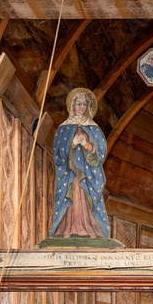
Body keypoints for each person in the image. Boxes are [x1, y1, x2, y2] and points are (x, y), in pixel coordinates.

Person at [50, 87, 110, 238]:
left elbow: (99, 153)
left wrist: (85, 145)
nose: (81, 107)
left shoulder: (93, 128)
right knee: (71, 196)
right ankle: (67, 229)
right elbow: (58, 153)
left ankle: (88, 227)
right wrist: (72, 143)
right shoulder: (64, 128)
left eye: (84, 104)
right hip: (70, 173)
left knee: (84, 197)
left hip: (86, 173)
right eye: (79, 104)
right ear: (72, 105)